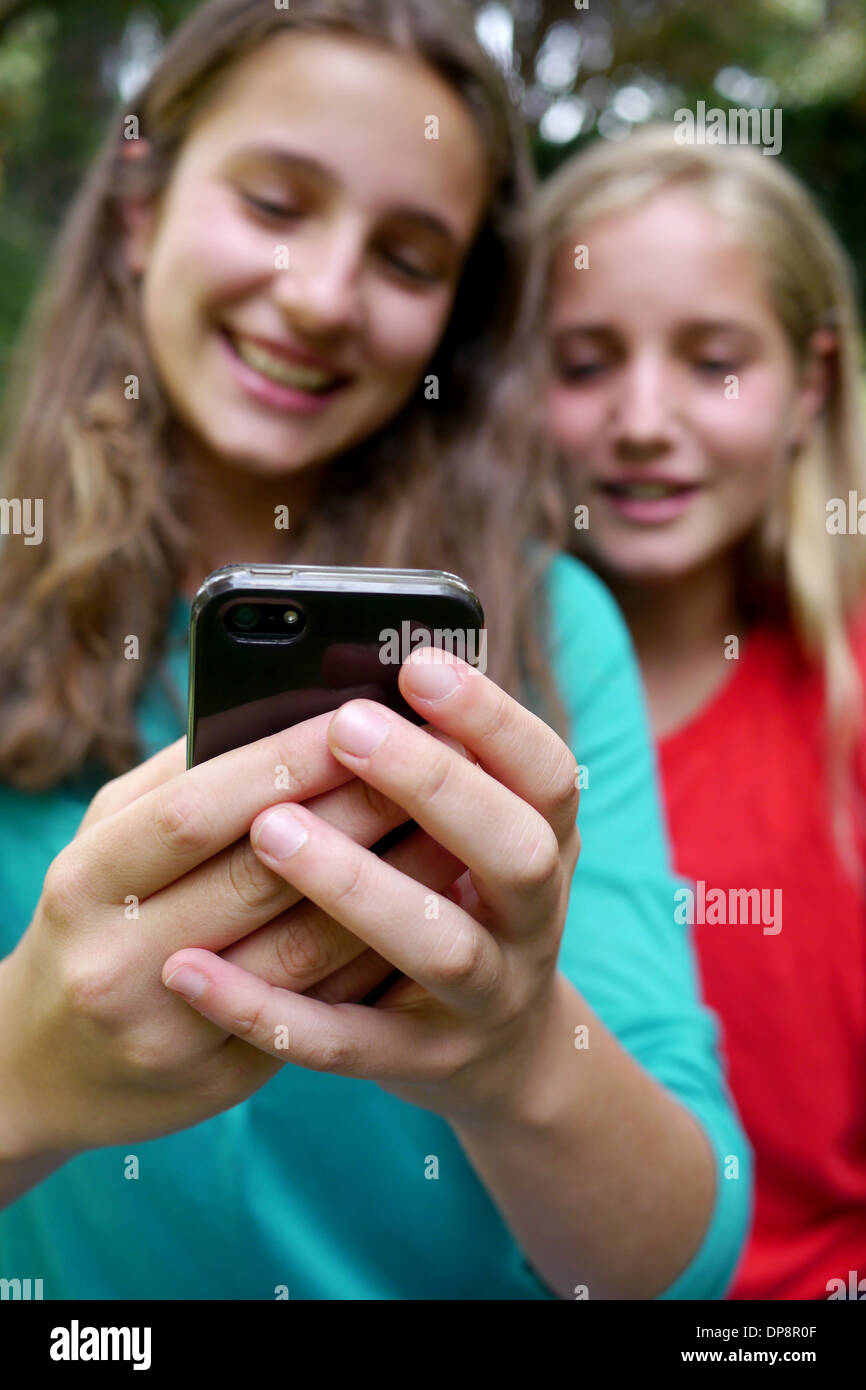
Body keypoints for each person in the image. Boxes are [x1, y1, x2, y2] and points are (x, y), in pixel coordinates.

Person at [0, 1, 750, 1300]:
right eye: (276, 204)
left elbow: (675, 1264)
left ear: (454, 319)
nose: (323, 296)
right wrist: (27, 1077)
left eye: (408, 259)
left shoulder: (549, 625)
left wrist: (514, 1063)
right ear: (139, 214)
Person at [538, 122, 866, 1300]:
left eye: (710, 360)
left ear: (807, 384)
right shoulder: (448, 692)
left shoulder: (843, 710)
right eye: (581, 364)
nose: (638, 416)